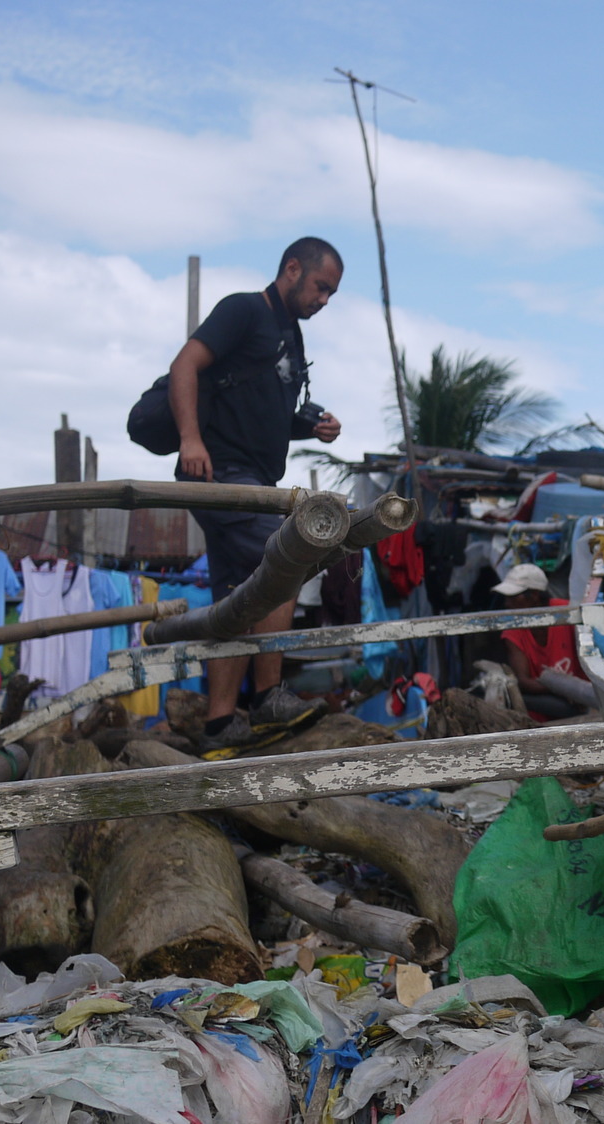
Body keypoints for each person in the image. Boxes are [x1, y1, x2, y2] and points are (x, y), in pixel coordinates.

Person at [169, 236, 346, 750]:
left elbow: (261, 414)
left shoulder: (290, 335)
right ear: (292, 269)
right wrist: (190, 439)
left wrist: (308, 428)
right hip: (221, 474)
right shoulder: (244, 311)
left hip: (256, 480)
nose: (324, 301)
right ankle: (268, 698)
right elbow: (185, 365)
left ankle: (221, 722)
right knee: (285, 559)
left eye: (331, 294)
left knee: (235, 598)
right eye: (320, 287)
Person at [493, 563, 590, 721]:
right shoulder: (513, 631)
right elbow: (524, 681)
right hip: (547, 707)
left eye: (513, 597)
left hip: (582, 701)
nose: (507, 604)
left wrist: (577, 692)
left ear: (535, 595)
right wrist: (564, 691)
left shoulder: (566, 612)